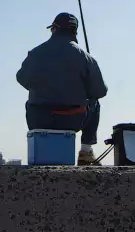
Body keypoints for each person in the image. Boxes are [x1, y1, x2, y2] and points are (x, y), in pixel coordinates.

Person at [16, 12, 108, 166]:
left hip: (38, 120)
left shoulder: (35, 53)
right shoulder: (85, 57)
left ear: (53, 29)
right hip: (71, 119)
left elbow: (22, 78)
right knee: (95, 103)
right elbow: (100, 92)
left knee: (30, 102)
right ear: (75, 32)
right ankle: (85, 151)